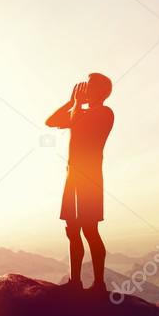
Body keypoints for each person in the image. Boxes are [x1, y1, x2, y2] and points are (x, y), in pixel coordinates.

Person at [46, 73, 114, 291]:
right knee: (72, 230)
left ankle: (99, 284)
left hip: (89, 180)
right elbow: (51, 121)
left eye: (90, 86)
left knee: (90, 230)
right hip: (73, 179)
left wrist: (75, 104)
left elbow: (77, 121)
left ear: (101, 91)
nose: (85, 89)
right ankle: (74, 282)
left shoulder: (104, 113)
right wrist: (70, 102)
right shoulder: (80, 112)